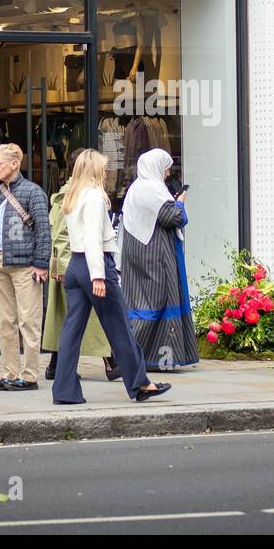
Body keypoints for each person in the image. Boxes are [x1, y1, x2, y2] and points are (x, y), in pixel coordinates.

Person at [52, 149, 171, 405]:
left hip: (75, 265)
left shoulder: (72, 196)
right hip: (95, 266)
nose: (106, 172)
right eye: (104, 168)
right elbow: (94, 237)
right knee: (120, 327)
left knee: (72, 330)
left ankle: (64, 390)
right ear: (95, 170)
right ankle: (140, 384)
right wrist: (98, 276)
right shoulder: (94, 196)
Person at [0, 143, 51, 392]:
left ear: (14, 164)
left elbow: (43, 229)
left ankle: (29, 375)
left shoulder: (33, 192)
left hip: (25, 264)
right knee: (4, 321)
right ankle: (10, 372)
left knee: (29, 320)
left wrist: (41, 262)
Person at [42, 148, 119, 383]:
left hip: (71, 264)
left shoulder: (71, 193)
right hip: (78, 264)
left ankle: (59, 369)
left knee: (70, 321)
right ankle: (114, 364)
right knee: (94, 318)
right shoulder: (85, 195)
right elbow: (65, 235)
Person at [120, 148, 199, 372]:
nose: (167, 174)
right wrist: (181, 202)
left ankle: (149, 359)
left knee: (142, 303)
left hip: (138, 252)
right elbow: (174, 217)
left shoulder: (137, 187)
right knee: (154, 303)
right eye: (165, 168)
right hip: (154, 254)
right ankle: (128, 357)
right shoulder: (151, 189)